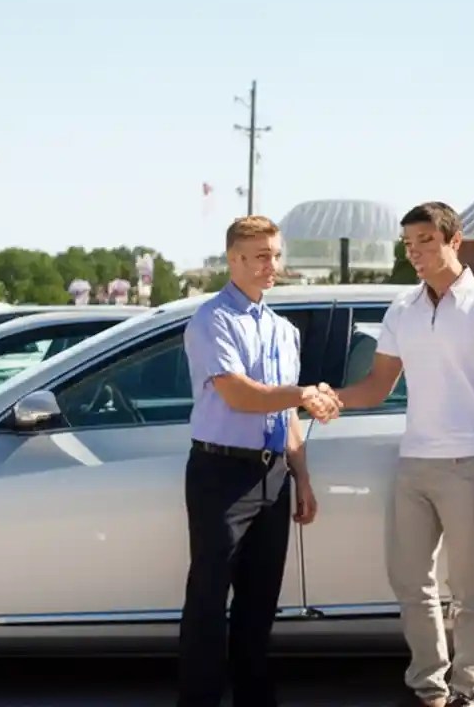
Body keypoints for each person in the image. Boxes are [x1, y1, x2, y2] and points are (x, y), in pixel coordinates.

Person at [336, 201, 474, 707]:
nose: (416, 253)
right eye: (408, 244)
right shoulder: (402, 309)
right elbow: (378, 385)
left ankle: (469, 688)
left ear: (454, 240)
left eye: (425, 241)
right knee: (410, 582)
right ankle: (430, 686)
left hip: (470, 463)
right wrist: (324, 398)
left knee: (468, 589)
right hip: (414, 463)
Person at [177, 215, 339, 707]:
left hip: (273, 475)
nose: (272, 265)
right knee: (208, 598)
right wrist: (305, 393)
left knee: (260, 601)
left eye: (276, 254)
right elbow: (240, 395)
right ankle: (200, 699)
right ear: (234, 260)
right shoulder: (212, 320)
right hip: (221, 473)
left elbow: (284, 413)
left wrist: (302, 476)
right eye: (261, 255)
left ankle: (253, 697)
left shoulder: (282, 330)